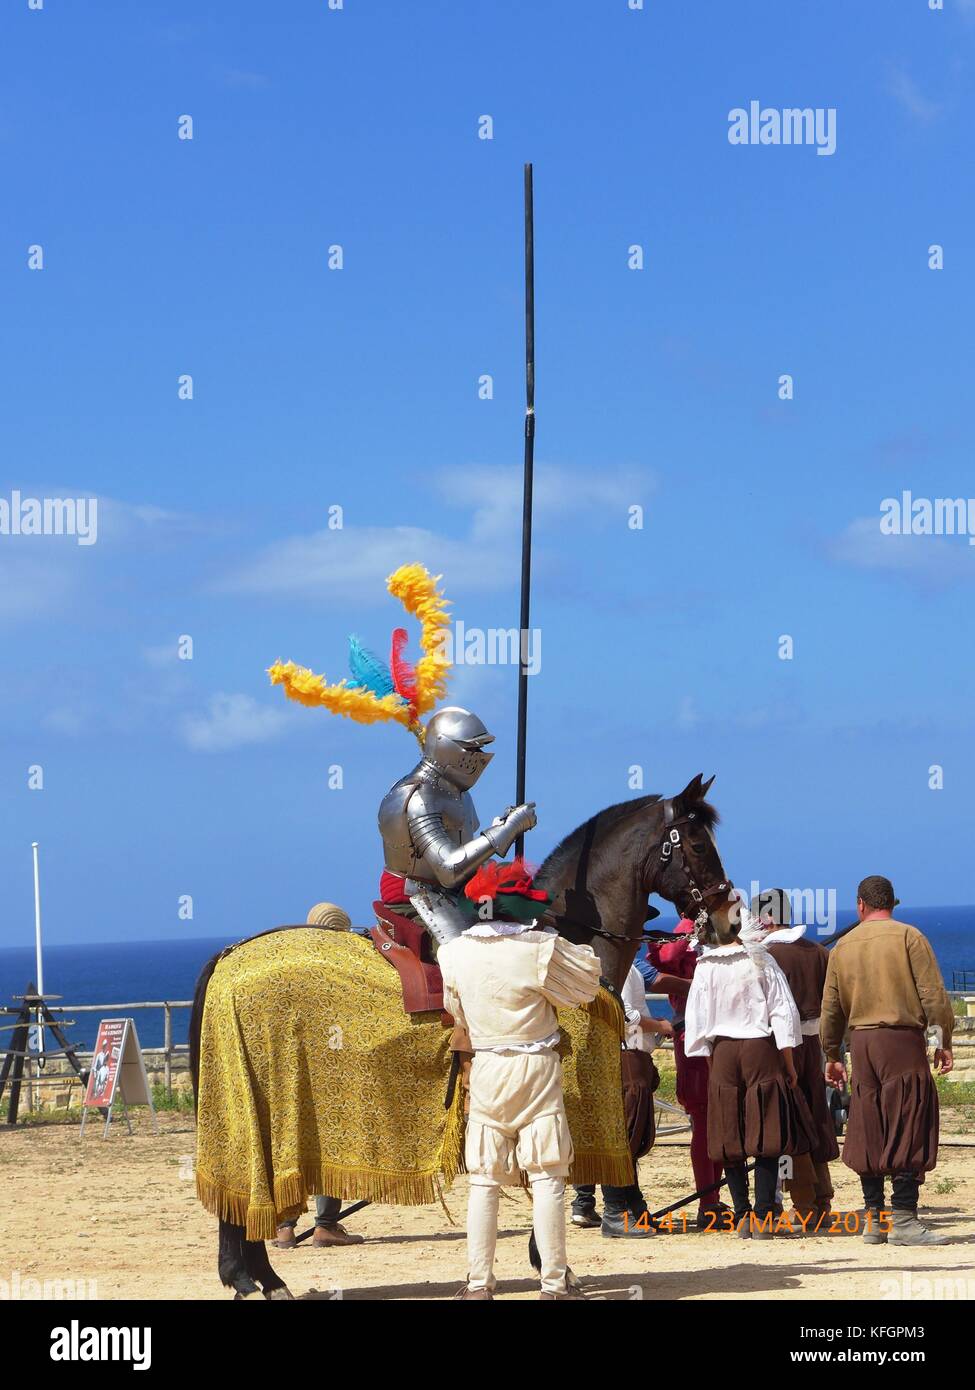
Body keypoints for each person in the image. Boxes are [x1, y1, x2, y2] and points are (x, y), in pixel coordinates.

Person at [438, 869, 602, 1300]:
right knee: (548, 1176)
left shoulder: (452, 952)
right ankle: (552, 1284)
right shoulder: (540, 948)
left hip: (488, 1067)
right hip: (536, 1067)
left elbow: (455, 1009)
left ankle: (478, 1285)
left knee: (483, 1179)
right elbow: (586, 986)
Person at [821, 876, 954, 1247]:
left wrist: (832, 1054)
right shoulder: (910, 937)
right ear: (892, 903)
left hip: (861, 1044)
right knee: (909, 1120)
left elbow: (830, 1008)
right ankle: (905, 1220)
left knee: (868, 1125)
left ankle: (874, 1220)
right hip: (902, 1040)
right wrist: (942, 1039)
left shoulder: (843, 947)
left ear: (860, 904)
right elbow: (932, 994)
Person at [684, 907, 814, 1238]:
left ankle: (742, 1215)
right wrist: (788, 1063)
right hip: (760, 1049)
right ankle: (765, 1215)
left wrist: (711, 1060)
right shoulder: (762, 960)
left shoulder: (705, 966)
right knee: (767, 1133)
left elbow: (697, 1021)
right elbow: (783, 1012)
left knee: (730, 1135)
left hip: (723, 1052)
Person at [378, 706, 537, 948]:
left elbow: (464, 856)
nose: (480, 756)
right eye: (472, 748)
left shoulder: (457, 792)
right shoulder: (419, 797)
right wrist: (507, 830)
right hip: (418, 896)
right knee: (467, 959)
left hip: (451, 892)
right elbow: (448, 868)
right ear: (446, 748)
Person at [753, 889, 839, 1231]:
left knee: (790, 1124)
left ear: (765, 918)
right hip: (815, 1043)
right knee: (816, 1118)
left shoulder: (764, 956)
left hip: (781, 1046)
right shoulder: (819, 952)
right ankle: (823, 1201)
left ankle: (803, 1203)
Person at [571, 963, 672, 1237]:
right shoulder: (621, 968)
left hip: (624, 1055)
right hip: (627, 1055)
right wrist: (662, 1024)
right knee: (625, 1138)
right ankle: (616, 1211)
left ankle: (632, 1207)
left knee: (624, 1138)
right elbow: (627, 1018)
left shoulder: (617, 966)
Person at [640, 921, 729, 1230]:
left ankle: (714, 1198)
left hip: (716, 1034)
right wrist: (692, 929)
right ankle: (709, 1201)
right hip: (695, 1034)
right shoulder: (684, 931)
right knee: (705, 1118)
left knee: (719, 1118)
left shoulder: (720, 929)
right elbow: (660, 966)